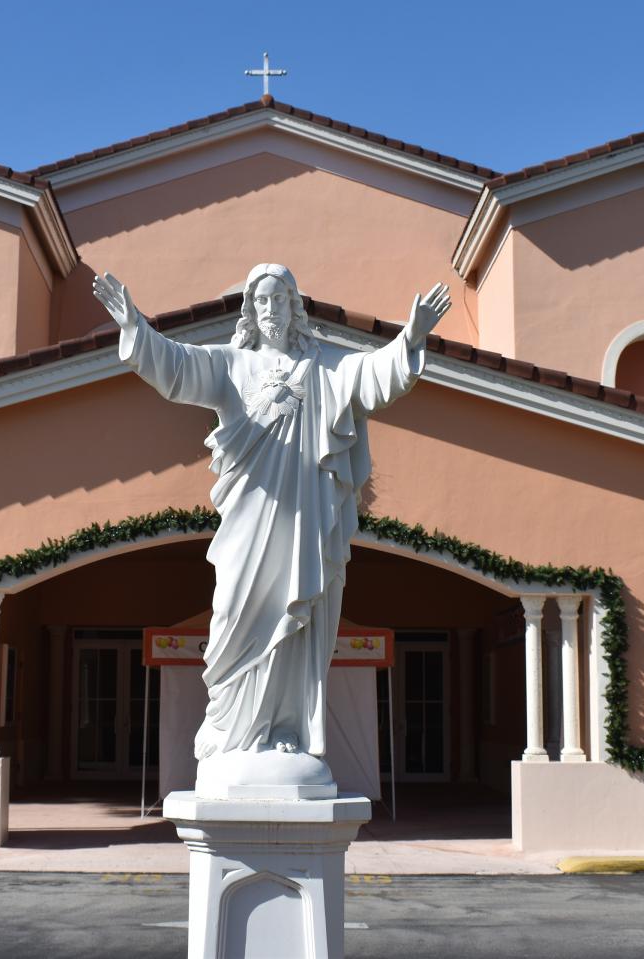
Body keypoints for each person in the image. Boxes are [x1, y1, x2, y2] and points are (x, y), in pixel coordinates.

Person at [93, 264, 450, 792]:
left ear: (294, 305)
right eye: (260, 300)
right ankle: (232, 731)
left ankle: (283, 730)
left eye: (279, 298)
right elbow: (176, 368)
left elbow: (373, 377)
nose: (269, 308)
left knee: (295, 620)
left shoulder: (325, 367)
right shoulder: (230, 364)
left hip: (304, 518)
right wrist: (135, 328)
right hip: (249, 518)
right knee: (235, 613)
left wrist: (412, 337)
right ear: (249, 310)